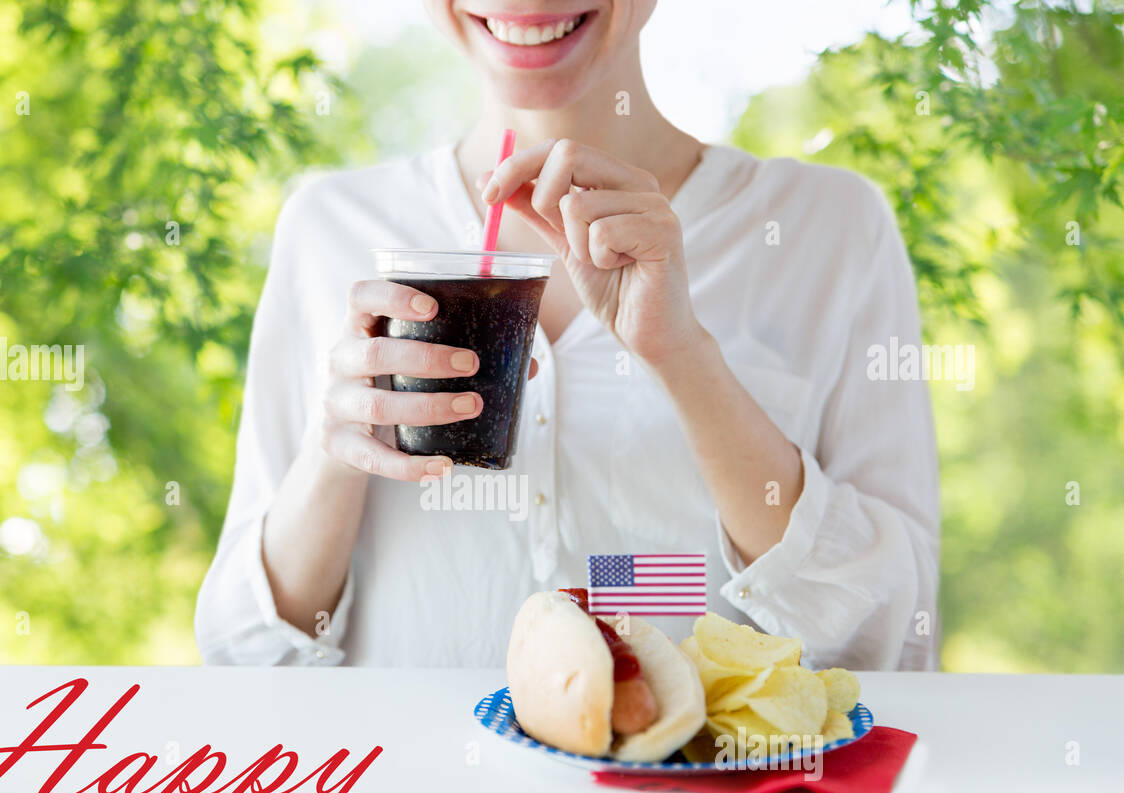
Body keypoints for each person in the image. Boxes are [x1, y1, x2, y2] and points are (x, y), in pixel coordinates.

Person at [195, 1, 940, 670]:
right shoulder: (331, 230)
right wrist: (332, 459)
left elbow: (894, 643)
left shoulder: (829, 230)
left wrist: (684, 357)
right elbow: (245, 659)